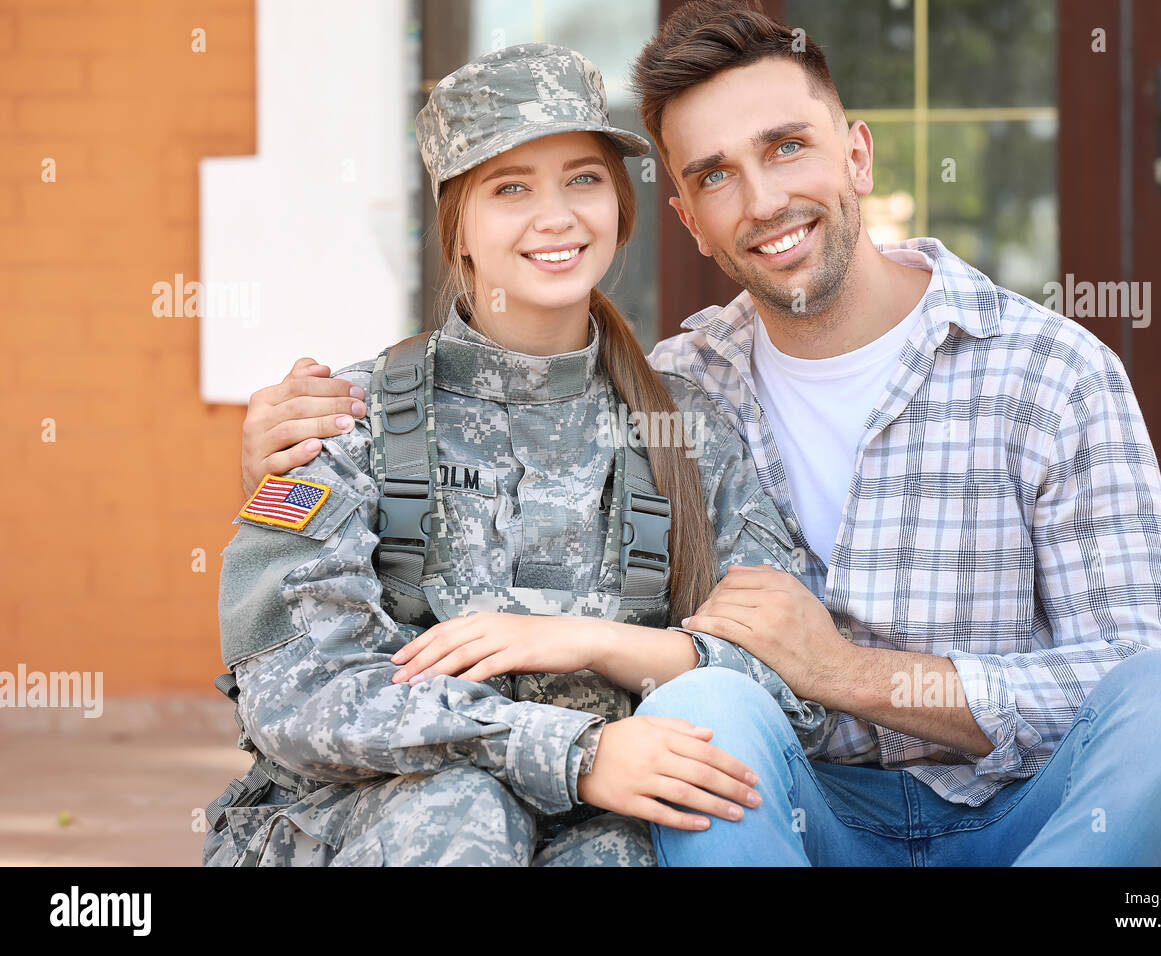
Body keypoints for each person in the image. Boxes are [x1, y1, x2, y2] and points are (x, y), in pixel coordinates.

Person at [240, 1, 1161, 867]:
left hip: (1029, 812)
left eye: (786, 147)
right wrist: (275, 470)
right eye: (718, 173)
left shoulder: (1044, 371)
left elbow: (1129, 677)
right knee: (705, 721)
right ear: (685, 215)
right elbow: (295, 664)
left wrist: (842, 670)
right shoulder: (672, 384)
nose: (763, 199)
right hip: (786, 811)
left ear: (855, 153)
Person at [200, 40, 830, 868]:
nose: (556, 215)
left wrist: (593, 649)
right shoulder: (343, 422)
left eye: (583, 177)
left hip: (599, 824)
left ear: (619, 205)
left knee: (627, 850)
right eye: (509, 188)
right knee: (459, 808)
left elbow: (789, 686)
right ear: (456, 227)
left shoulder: (690, 430)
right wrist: (573, 752)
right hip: (365, 828)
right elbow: (297, 692)